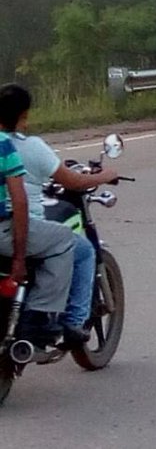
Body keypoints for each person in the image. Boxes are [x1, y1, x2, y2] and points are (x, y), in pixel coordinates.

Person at [2, 84, 117, 347]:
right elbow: (72, 182)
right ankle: (61, 321)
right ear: (24, 116)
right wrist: (105, 175)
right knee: (77, 246)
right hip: (12, 229)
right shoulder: (24, 148)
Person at [0, 85, 77, 347]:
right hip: (3, 231)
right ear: (23, 115)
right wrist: (19, 258)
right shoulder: (6, 146)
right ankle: (40, 317)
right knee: (64, 238)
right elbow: (18, 201)